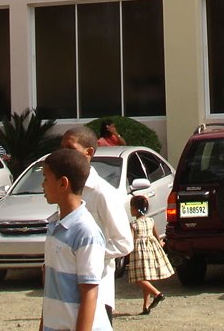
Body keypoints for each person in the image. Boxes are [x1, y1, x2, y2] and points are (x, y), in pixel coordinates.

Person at [60, 126, 132, 324]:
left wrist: (88, 253)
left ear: (88, 153)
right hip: (67, 289)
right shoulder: (64, 190)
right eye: (61, 148)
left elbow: (124, 242)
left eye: (70, 148)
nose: (64, 154)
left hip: (97, 290)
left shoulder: (102, 193)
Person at [39, 148, 111, 331]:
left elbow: (89, 293)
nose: (42, 185)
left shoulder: (86, 232)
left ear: (63, 183)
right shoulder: (55, 226)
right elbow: (51, 290)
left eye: (46, 179)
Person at [125, 194, 173, 315]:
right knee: (144, 278)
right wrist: (160, 243)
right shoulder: (150, 221)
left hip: (138, 253)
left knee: (138, 279)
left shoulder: (134, 224)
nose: (130, 210)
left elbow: (130, 240)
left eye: (131, 207)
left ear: (136, 209)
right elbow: (157, 236)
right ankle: (145, 307)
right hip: (150, 251)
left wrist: (125, 252)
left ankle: (157, 294)